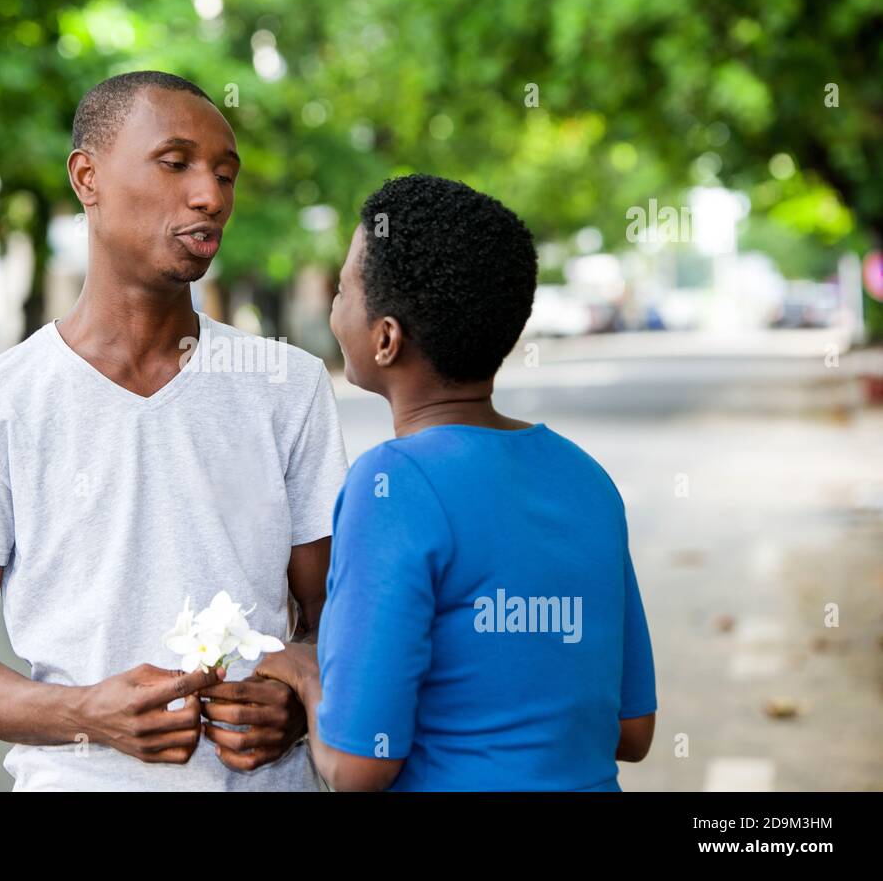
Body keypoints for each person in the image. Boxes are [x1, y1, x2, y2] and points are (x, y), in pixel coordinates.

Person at [0, 71, 349, 790]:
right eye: (175, 162)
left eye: (225, 173)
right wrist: (87, 712)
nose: (210, 195)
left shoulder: (287, 385)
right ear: (88, 177)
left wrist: (297, 696)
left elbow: (329, 613)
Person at [256, 174, 657, 790]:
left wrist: (304, 670)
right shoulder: (585, 478)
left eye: (341, 290)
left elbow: (359, 767)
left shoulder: (392, 485)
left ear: (385, 338)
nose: (335, 306)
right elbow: (632, 729)